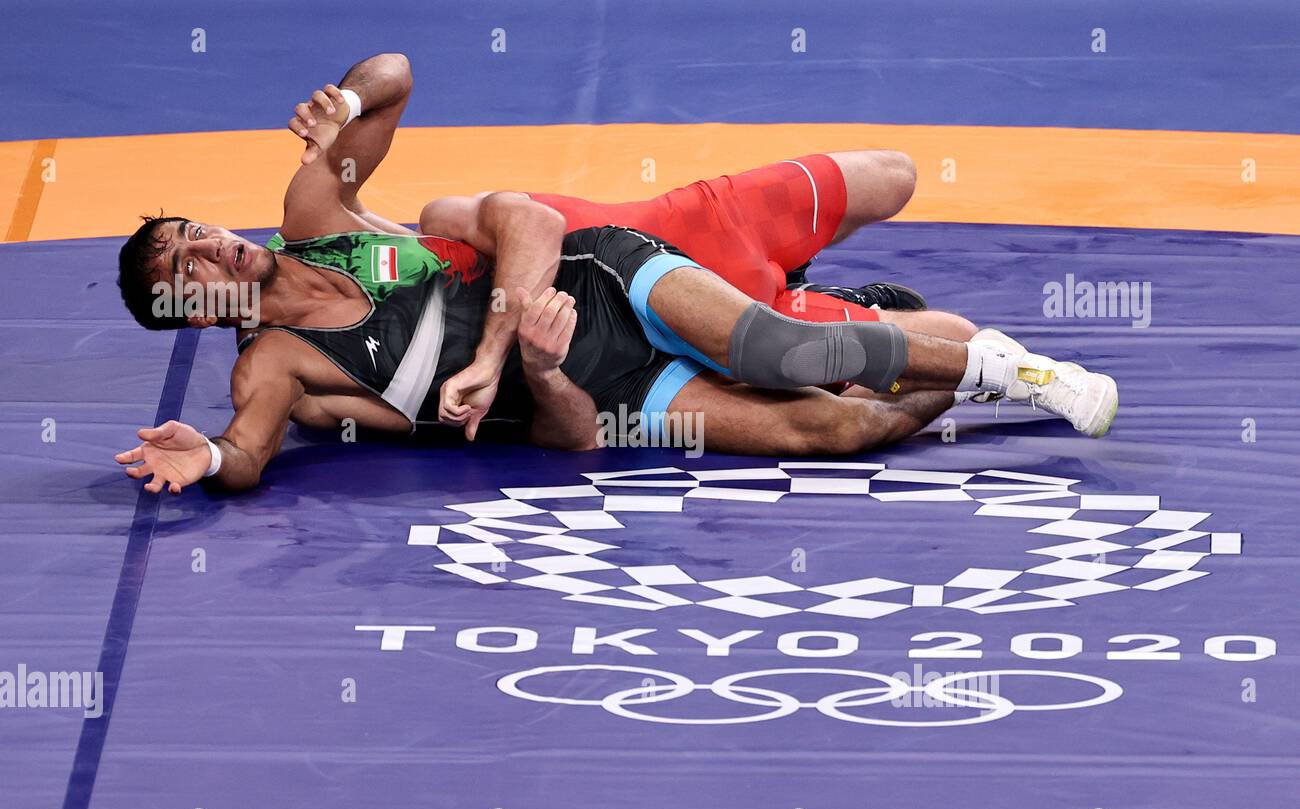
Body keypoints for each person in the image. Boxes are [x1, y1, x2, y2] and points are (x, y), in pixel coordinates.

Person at [113, 52, 1118, 495]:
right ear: (194, 312)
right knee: (829, 429)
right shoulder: (275, 366)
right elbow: (247, 451)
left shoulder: (319, 215)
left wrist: (339, 99)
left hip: (595, 276)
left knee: (776, 346)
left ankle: (1010, 370)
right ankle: (929, 370)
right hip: (597, 384)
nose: (213, 246)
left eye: (198, 229)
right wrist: (204, 460)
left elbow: (396, 73)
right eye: (189, 264)